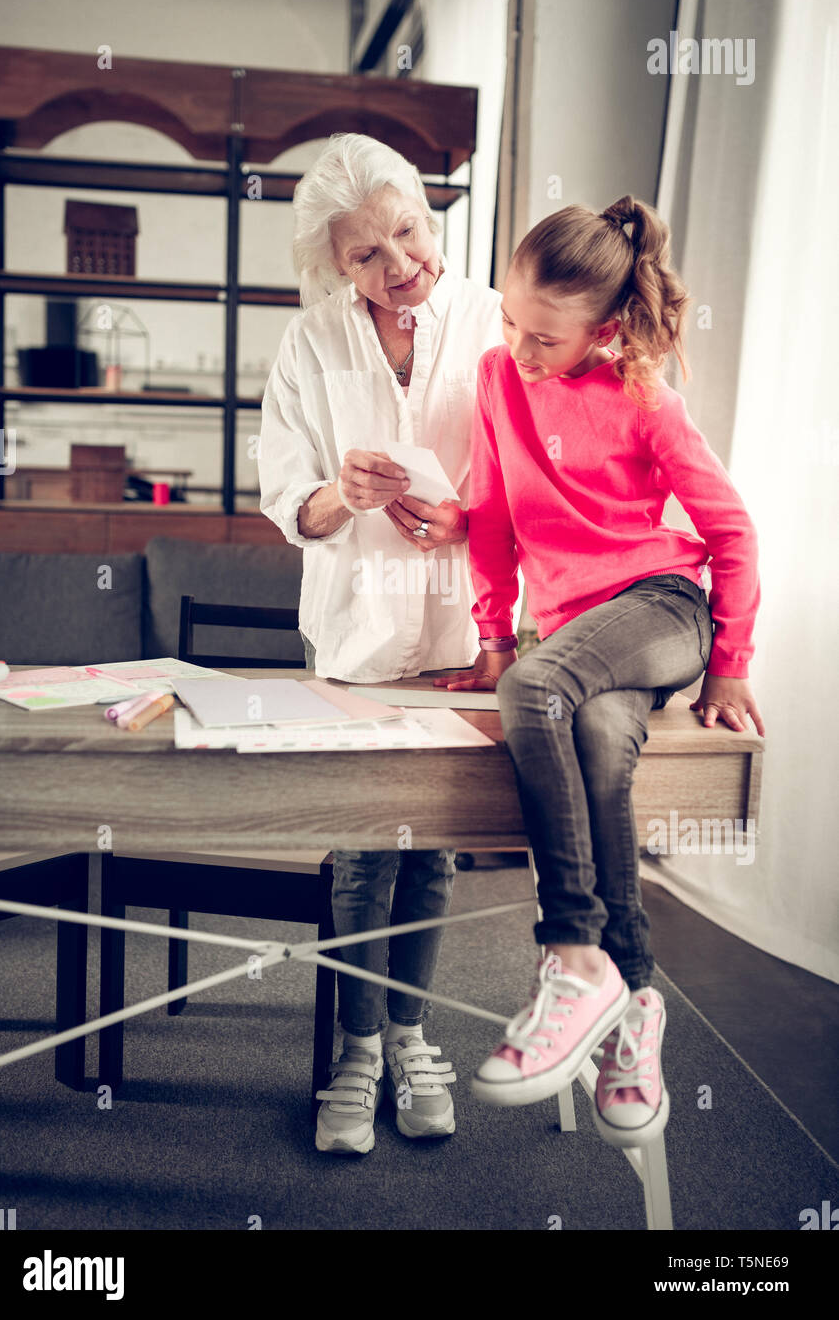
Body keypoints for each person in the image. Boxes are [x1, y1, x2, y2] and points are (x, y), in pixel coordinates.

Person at [436, 195, 765, 1147]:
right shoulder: (500, 379)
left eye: (543, 334)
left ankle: (573, 954)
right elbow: (493, 515)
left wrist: (730, 667)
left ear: (607, 329)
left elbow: (731, 528)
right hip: (583, 640)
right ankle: (635, 1007)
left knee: (536, 692)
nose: (518, 344)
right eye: (508, 319)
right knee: (592, 736)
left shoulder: (645, 398)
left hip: (663, 611)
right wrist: (495, 633)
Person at [257, 132, 502, 1154]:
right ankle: (354, 1052)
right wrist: (333, 494)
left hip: (457, 634)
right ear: (334, 268)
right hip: (356, 637)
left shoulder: (491, 318)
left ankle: (407, 1035)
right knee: (363, 851)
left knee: (430, 852)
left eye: (404, 232)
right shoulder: (307, 345)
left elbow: (531, 477)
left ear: (423, 212)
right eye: (366, 254)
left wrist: (470, 522)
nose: (397, 265)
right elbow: (282, 496)